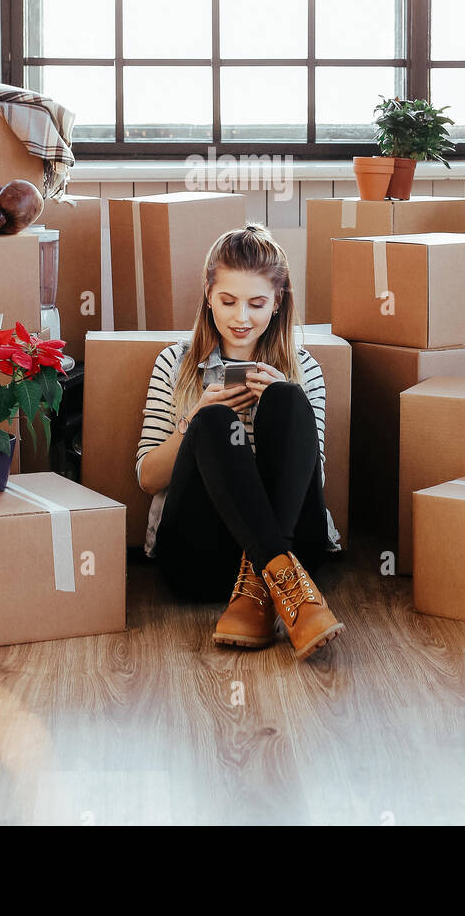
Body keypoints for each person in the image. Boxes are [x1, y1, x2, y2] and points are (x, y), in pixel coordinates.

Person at [135, 222, 344, 662]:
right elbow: (149, 479)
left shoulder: (303, 367)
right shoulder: (174, 363)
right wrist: (192, 420)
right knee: (212, 422)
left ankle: (262, 584)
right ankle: (280, 584)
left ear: (278, 302)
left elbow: (314, 480)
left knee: (288, 399)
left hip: (291, 545)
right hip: (200, 558)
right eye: (228, 301)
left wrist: (287, 400)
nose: (241, 318)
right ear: (208, 294)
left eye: (257, 303)